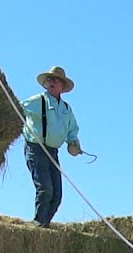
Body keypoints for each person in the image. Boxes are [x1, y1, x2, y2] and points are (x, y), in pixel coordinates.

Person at [20, 66, 82, 228]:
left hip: (53, 152)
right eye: (50, 79)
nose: (52, 82)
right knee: (45, 188)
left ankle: (44, 225)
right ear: (46, 84)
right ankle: (38, 222)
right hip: (36, 148)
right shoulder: (37, 101)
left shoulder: (66, 109)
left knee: (57, 195)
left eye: (56, 80)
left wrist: (74, 143)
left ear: (62, 86)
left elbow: (72, 130)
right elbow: (16, 108)